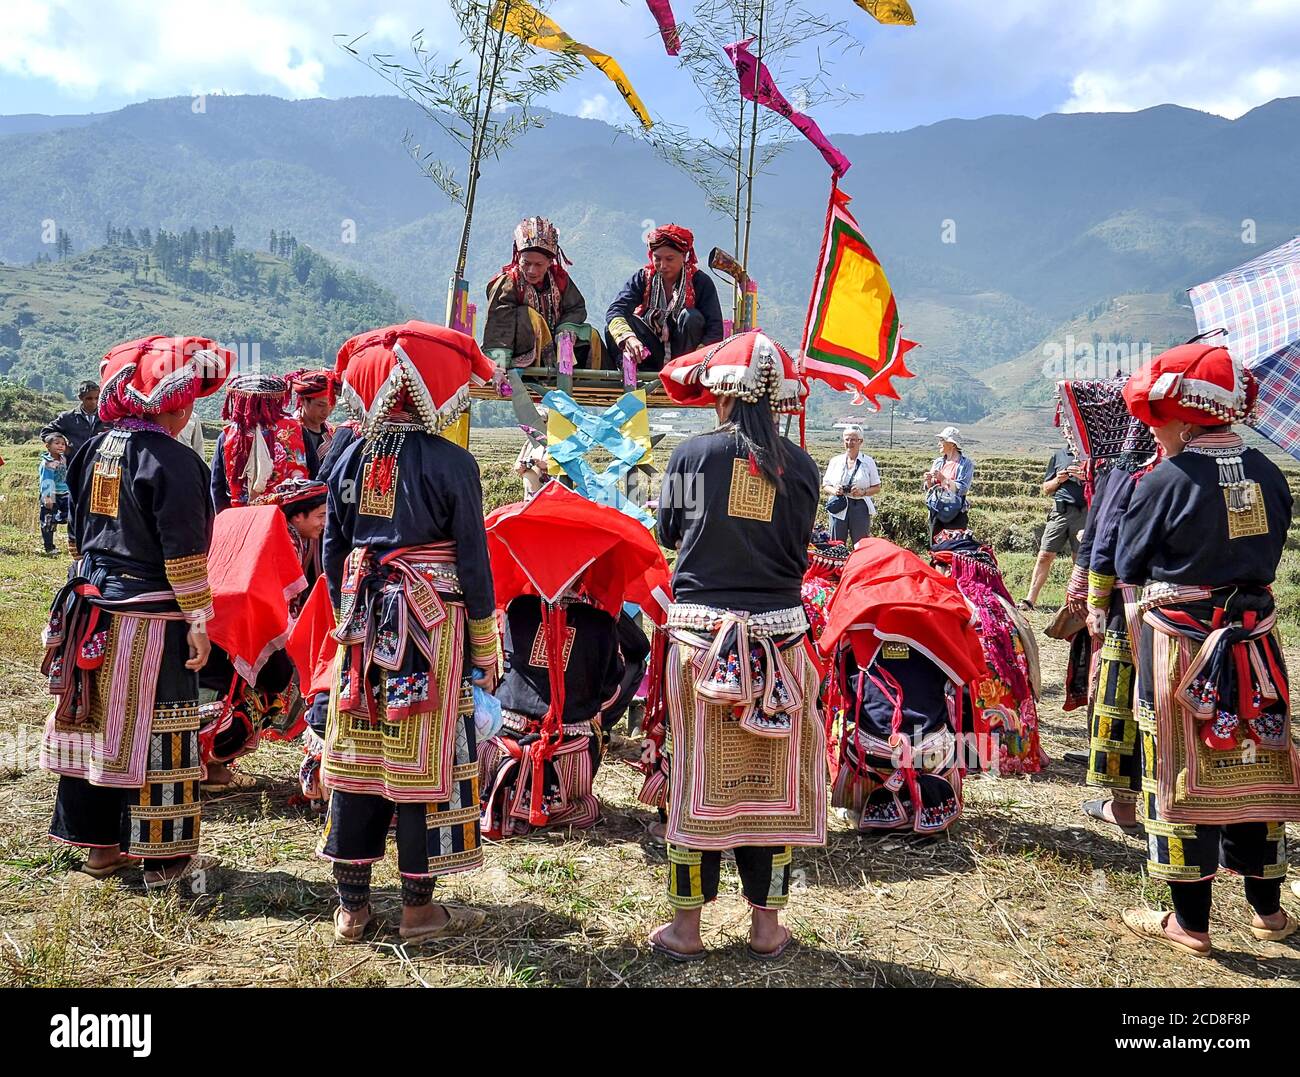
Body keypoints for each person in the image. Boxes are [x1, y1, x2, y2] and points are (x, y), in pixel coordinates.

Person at [1115, 342, 1298, 957]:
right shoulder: (1271, 473)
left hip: (1184, 650)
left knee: (1180, 769)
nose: (1156, 432)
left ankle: (1190, 924)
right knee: (1254, 763)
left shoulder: (1163, 480)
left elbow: (1129, 562)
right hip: (1255, 644)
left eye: (1159, 420)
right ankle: (1269, 913)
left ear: (1186, 417)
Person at [320, 320, 500, 944]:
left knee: (357, 755)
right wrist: (485, 643)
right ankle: (419, 910)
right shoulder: (453, 463)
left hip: (362, 626)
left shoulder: (346, 456)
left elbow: (331, 550)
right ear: (436, 395)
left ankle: (351, 908)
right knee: (421, 756)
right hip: (429, 628)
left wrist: (349, 611)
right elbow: (474, 561)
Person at [651, 331, 821, 961]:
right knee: (770, 787)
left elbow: (671, 532)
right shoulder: (801, 465)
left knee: (696, 776)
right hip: (781, 640)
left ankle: (687, 930)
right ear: (776, 400)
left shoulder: (691, 457)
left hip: (702, 642)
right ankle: (767, 928)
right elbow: (801, 545)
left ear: (721, 394)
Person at [38, 335, 231, 890]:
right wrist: (198, 621)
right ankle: (164, 861)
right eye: (190, 397)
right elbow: (186, 554)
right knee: (158, 731)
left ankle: (99, 849)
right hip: (149, 619)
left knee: (94, 722)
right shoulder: (175, 461)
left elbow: (80, 535)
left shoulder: (91, 450)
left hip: (91, 609)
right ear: (174, 403)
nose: (191, 407)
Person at [480, 589, 646, 837]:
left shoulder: (520, 607)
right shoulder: (600, 620)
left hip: (505, 742)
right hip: (569, 752)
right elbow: (611, 686)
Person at [932, 530, 1043, 776]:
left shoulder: (957, 601)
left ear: (951, 568)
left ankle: (968, 755)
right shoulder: (1001, 603)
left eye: (938, 565)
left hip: (976, 702)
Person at [482, 216, 604, 371]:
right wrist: (498, 366)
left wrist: (565, 329)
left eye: (538, 264)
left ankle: (590, 381)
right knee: (527, 315)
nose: (531, 270)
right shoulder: (508, 283)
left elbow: (576, 308)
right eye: (526, 263)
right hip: (520, 353)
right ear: (518, 257)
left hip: (557, 347)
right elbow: (499, 325)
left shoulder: (560, 279)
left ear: (549, 262)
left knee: (590, 334)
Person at [605, 224, 725, 373]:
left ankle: (684, 373)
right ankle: (634, 373)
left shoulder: (700, 282)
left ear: (683, 257)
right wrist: (629, 339)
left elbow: (715, 329)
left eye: (669, 259)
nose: (663, 265)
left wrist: (699, 356)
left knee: (691, 317)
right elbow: (616, 310)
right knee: (616, 326)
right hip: (649, 352)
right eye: (657, 258)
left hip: (686, 357)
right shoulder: (643, 278)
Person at [210, 373, 308, 511]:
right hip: (288, 517)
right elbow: (314, 472)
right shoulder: (296, 430)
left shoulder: (228, 435)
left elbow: (217, 486)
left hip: (241, 518)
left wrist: (223, 518)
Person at [1021, 442, 1086, 610]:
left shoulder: (1091, 455)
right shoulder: (1059, 456)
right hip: (1059, 512)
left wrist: (1084, 477)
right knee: (1044, 555)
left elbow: (1103, 484)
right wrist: (1058, 479)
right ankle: (1030, 600)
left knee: (1078, 559)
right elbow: (1046, 488)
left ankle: (1075, 602)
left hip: (1084, 513)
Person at [822, 425, 881, 546]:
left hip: (859, 507)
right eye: (847, 439)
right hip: (838, 505)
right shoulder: (835, 461)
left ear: (861, 441)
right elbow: (825, 485)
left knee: (860, 545)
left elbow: (877, 487)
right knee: (835, 545)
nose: (850, 443)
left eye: (853, 439)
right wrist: (835, 491)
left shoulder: (868, 462)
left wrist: (862, 492)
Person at [922, 425, 974, 538]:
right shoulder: (938, 462)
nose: (939, 443)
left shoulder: (965, 464)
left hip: (956, 513)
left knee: (954, 548)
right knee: (935, 548)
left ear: (951, 444)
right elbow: (930, 489)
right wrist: (929, 481)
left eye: (942, 440)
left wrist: (943, 479)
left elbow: (963, 489)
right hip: (936, 510)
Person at [288, 369, 340, 478]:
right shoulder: (287, 433)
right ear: (303, 400)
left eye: (331, 405)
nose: (327, 411)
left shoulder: (333, 434)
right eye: (321, 405)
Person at [41, 379, 107, 458]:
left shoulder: (107, 416)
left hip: (100, 462)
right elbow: (46, 432)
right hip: (74, 462)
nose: (93, 401)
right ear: (80, 398)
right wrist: (64, 447)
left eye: (97, 398)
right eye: (89, 398)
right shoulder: (67, 417)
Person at [38, 432, 71, 556]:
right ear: (48, 446)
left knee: (70, 517)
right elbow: (46, 480)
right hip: (51, 495)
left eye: (63, 444)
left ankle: (73, 542)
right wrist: (48, 498)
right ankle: (49, 547)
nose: (60, 446)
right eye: (57, 443)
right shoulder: (47, 463)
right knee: (48, 522)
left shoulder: (64, 459)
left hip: (65, 493)